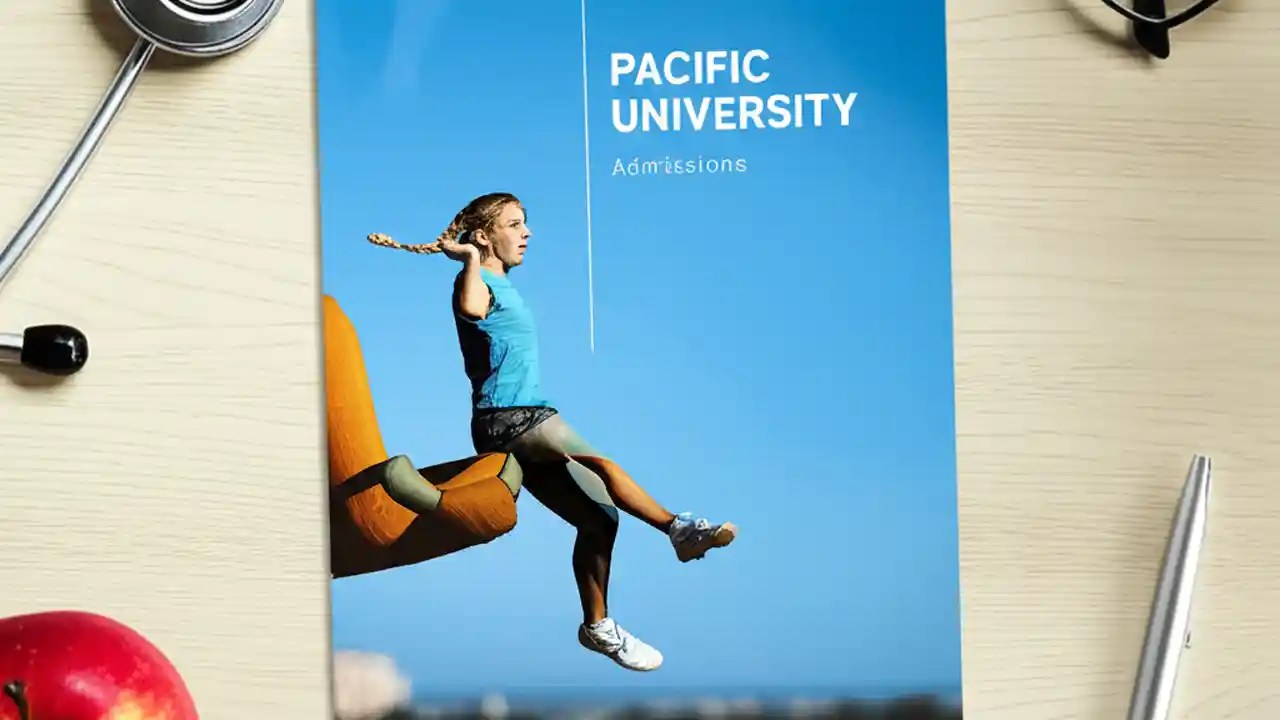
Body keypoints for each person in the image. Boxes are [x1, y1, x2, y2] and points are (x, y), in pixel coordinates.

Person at [431, 191, 736, 672]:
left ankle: (597, 626)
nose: (527, 232)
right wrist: (469, 258)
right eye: (514, 224)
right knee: (600, 463)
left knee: (600, 518)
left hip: (527, 419)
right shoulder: (475, 281)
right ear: (486, 235)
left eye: (525, 223)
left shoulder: (506, 286)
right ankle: (676, 529)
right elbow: (470, 309)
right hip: (508, 419)